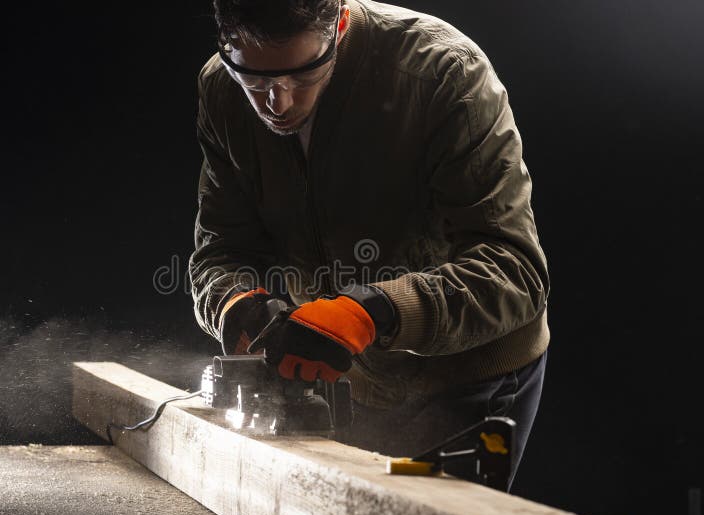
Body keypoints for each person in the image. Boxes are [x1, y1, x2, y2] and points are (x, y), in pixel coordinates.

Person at [189, 0, 549, 489]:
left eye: (301, 76)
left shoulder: (445, 72)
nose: (278, 104)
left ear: (337, 24)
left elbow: (515, 272)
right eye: (255, 82)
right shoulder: (220, 88)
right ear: (225, 45)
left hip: (465, 379)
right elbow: (221, 250)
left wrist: (372, 312)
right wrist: (236, 305)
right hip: (345, 374)